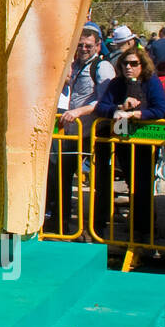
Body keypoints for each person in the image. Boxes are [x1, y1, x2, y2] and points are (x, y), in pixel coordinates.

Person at [92, 47, 165, 237]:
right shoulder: (117, 83)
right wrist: (118, 109)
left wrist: (139, 113)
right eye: (125, 63)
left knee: (143, 185)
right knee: (130, 181)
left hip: (145, 141)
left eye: (134, 64)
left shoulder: (150, 82)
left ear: (142, 65)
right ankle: (135, 227)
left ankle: (145, 229)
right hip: (123, 140)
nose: (128, 67)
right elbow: (102, 106)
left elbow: (161, 109)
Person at [49, 25, 116, 231]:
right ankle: (61, 223)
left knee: (99, 181)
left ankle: (98, 226)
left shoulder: (102, 67)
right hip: (73, 132)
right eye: (80, 45)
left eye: (88, 45)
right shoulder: (76, 65)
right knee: (62, 175)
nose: (84, 49)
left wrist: (80, 112)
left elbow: (105, 100)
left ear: (97, 46)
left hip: (95, 131)